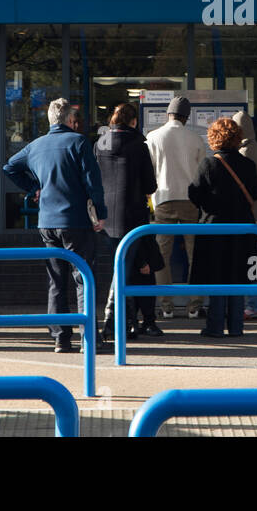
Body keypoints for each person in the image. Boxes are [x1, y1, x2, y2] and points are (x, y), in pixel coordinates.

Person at [3, 98, 108, 353]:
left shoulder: (35, 146)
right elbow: (93, 182)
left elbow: (9, 167)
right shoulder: (79, 142)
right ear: (70, 121)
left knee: (56, 281)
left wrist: (33, 188)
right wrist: (101, 213)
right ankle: (88, 338)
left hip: (47, 222)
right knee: (83, 278)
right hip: (76, 221)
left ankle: (60, 338)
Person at [188, 116, 257, 339]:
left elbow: (194, 193)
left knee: (217, 277)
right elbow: (256, 194)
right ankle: (237, 326)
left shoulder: (209, 164)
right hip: (242, 228)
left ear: (214, 138)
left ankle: (215, 326)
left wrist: (210, 206)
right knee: (238, 276)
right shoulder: (248, 165)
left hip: (214, 228)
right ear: (237, 138)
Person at [95, 103, 164, 340]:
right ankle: (111, 324)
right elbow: (150, 186)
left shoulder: (99, 144)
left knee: (120, 269)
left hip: (105, 219)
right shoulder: (138, 146)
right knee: (124, 272)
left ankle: (127, 321)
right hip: (132, 218)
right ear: (133, 121)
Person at [144, 95, 207, 318]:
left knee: (162, 254)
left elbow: (148, 171)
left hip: (162, 200)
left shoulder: (153, 137)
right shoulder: (195, 138)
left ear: (168, 114)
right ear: (186, 117)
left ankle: (166, 305)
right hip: (190, 200)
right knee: (195, 254)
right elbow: (202, 173)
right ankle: (194, 305)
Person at [234, 109, 257, 319]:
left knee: (253, 259)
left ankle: (253, 304)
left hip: (254, 211)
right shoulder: (254, 146)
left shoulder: (246, 150)